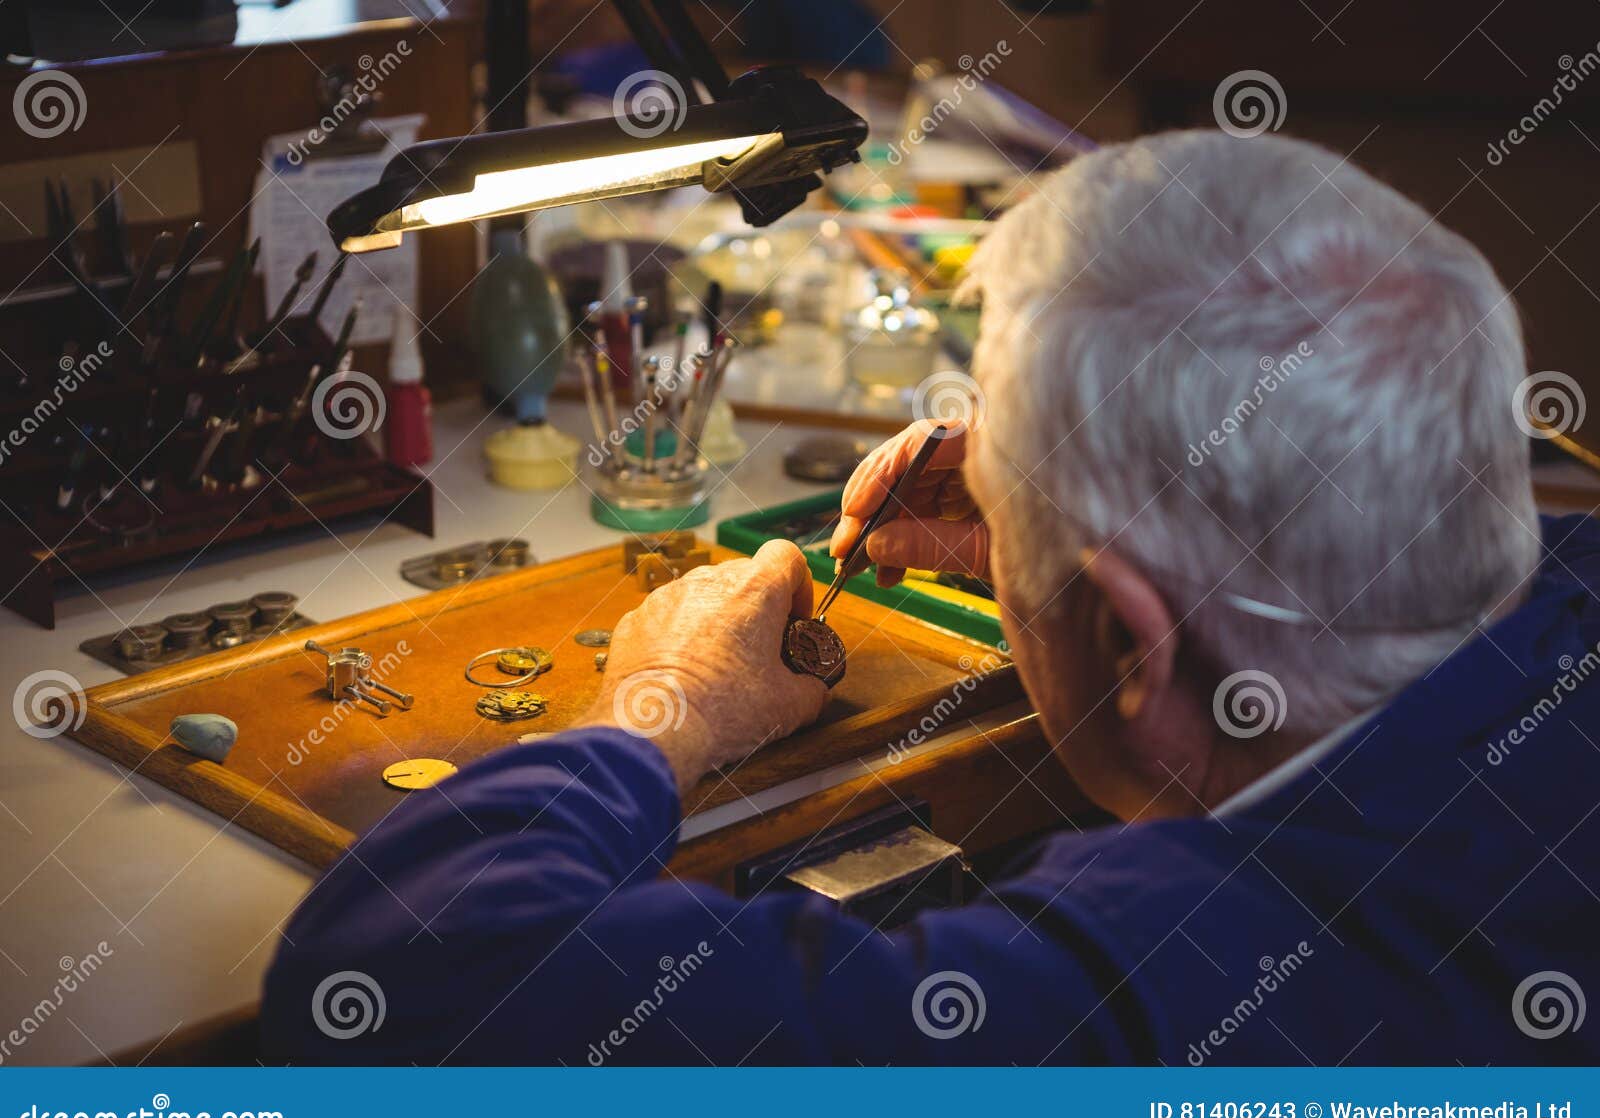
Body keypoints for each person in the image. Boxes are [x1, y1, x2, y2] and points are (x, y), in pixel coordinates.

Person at [262, 131, 1599, 1064]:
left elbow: (386, 979)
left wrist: (666, 703)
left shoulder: (1129, 1001)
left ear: (1134, 646)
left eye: (1011, 502)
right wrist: (1056, 534)